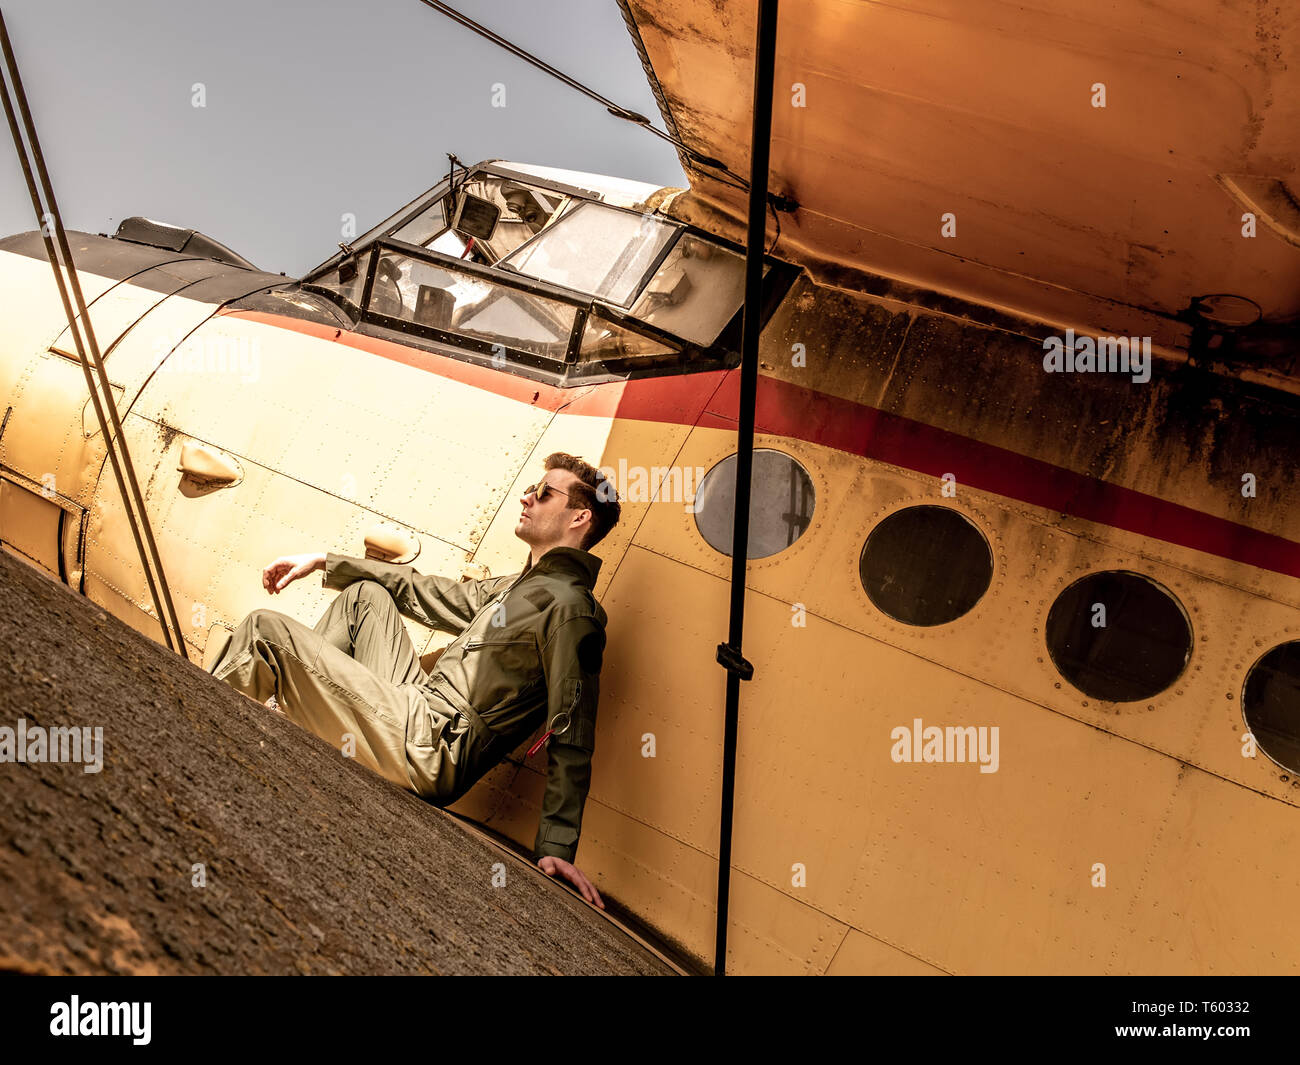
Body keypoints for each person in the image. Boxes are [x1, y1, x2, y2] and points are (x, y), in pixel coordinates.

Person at [207, 452, 621, 908]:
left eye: (543, 493)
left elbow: (572, 729)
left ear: (579, 517)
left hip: (433, 746)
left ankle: (194, 737)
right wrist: (325, 561)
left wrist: (556, 848)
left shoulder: (571, 609)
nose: (527, 497)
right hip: (415, 708)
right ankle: (293, 727)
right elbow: (419, 590)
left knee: (267, 631)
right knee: (366, 596)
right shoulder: (516, 587)